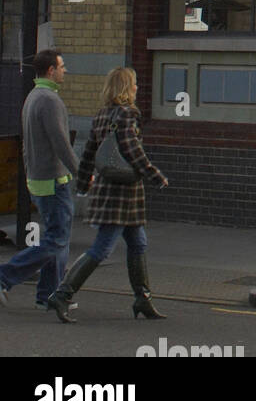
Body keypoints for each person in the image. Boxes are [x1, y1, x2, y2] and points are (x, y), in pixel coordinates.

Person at [46, 67, 170, 323]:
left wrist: (82, 185)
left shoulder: (102, 115)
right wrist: (155, 174)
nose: (137, 88)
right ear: (126, 87)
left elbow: (90, 152)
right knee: (102, 248)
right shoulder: (127, 114)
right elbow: (133, 150)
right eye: (134, 84)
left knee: (138, 243)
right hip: (121, 194)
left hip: (108, 190)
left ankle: (142, 299)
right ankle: (62, 294)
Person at [0, 50, 79, 312]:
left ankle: (48, 296)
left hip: (39, 178)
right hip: (53, 180)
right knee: (57, 240)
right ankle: (5, 274)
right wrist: (82, 172)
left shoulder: (32, 97)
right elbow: (61, 143)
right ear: (51, 70)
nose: (65, 70)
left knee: (56, 237)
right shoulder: (50, 100)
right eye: (62, 66)